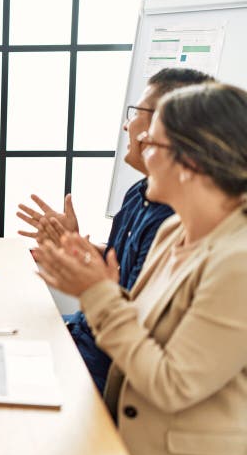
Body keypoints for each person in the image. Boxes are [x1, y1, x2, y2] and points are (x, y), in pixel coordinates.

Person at [34, 82, 247, 455]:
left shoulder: (238, 262)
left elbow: (172, 383)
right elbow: (143, 324)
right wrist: (94, 281)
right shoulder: (174, 232)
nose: (141, 145)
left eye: (154, 143)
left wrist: (98, 293)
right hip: (128, 440)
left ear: (194, 161)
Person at [17, 68, 213, 393]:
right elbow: (119, 263)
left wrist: (87, 280)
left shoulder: (179, 218)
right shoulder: (139, 192)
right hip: (86, 333)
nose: (127, 125)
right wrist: (74, 242)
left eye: (136, 113)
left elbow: (136, 312)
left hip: (107, 362)